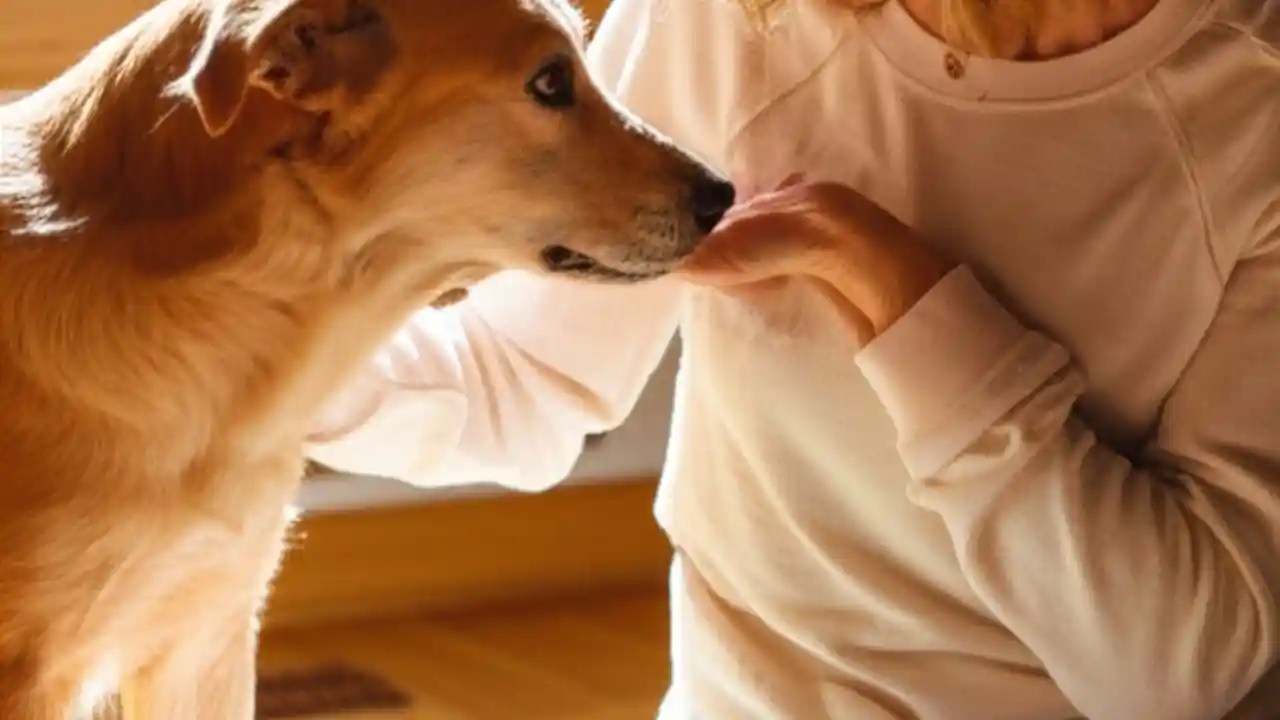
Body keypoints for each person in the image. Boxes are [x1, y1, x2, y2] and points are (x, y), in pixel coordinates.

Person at [306, 0, 1280, 716]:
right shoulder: (736, 16)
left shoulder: (1250, 108)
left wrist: (902, 293)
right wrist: (222, 356)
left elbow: (1174, 672)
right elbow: (520, 380)